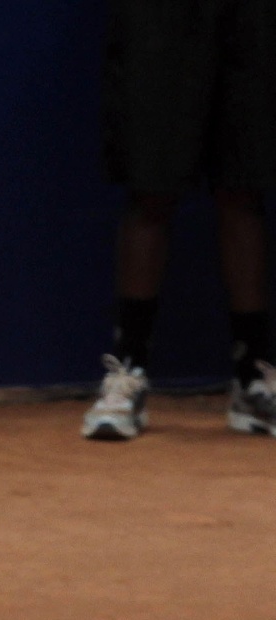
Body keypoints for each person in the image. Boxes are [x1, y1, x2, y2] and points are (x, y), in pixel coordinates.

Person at [84, 0, 276, 441]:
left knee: (244, 186)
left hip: (252, 17)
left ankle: (253, 379)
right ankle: (127, 371)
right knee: (151, 186)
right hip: (159, 18)